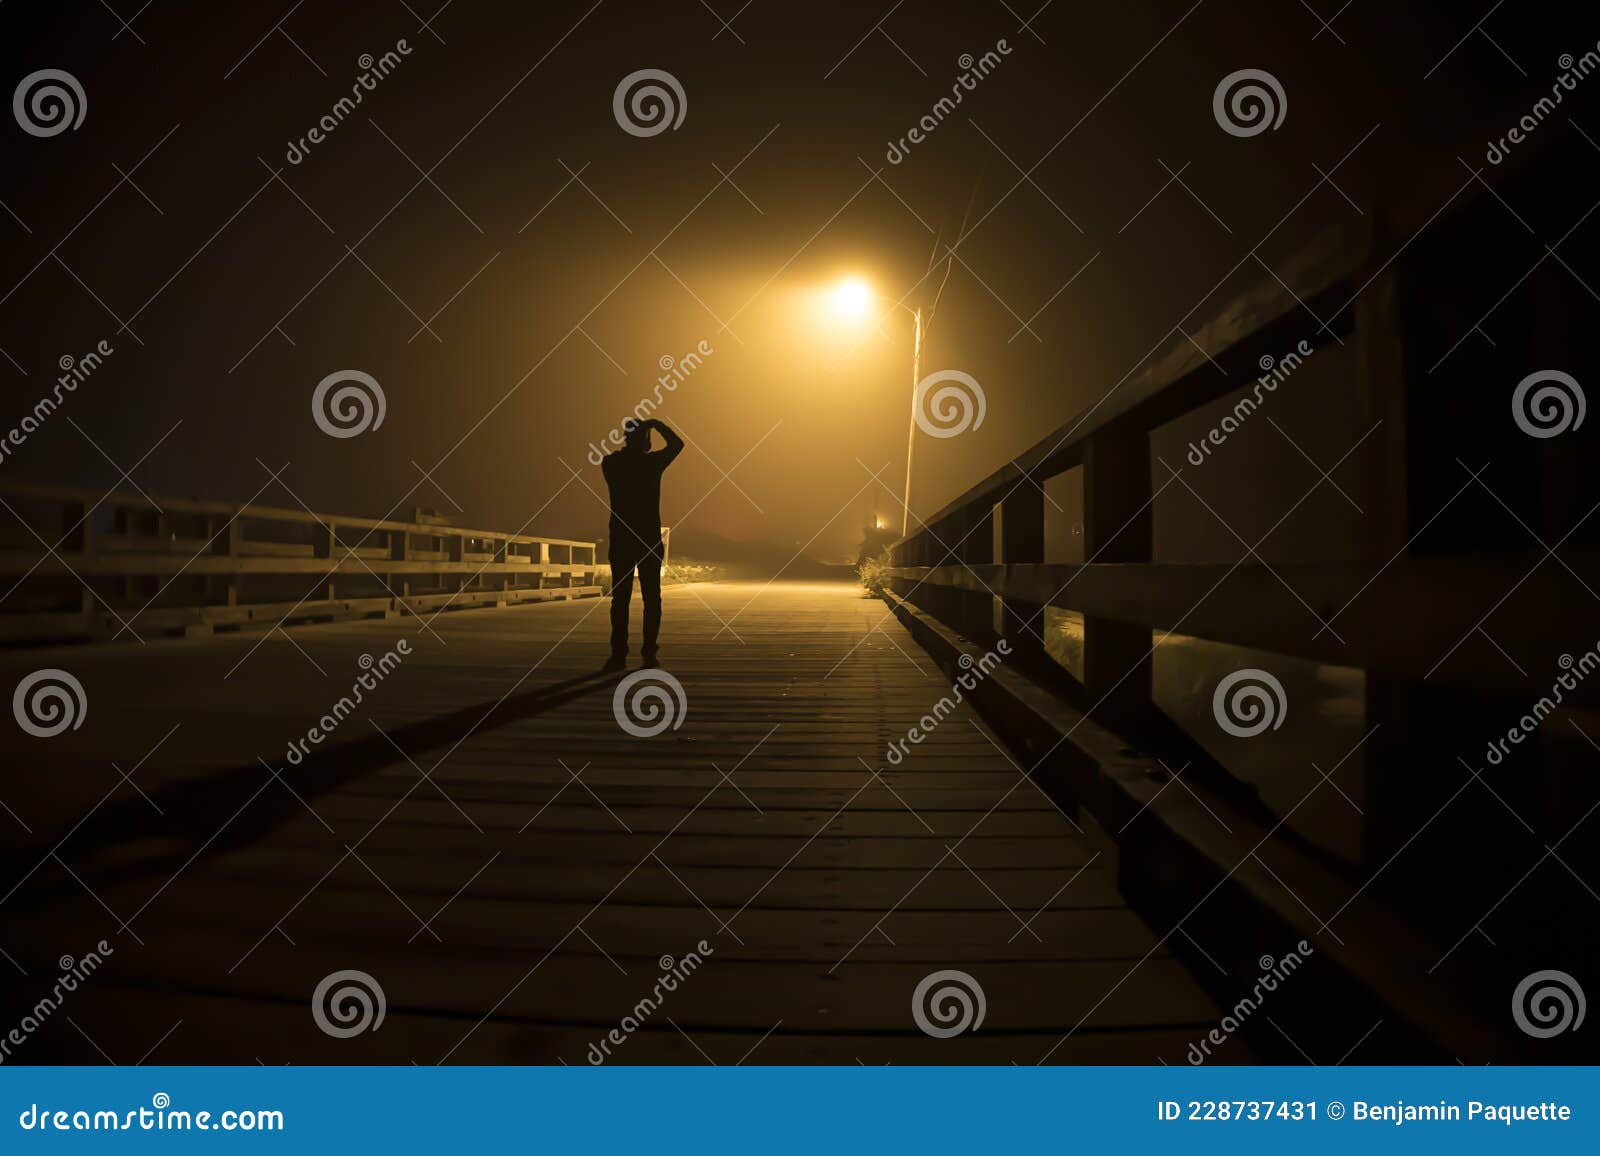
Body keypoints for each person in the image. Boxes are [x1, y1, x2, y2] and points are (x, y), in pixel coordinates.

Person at [601, 417, 682, 666]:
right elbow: (677, 444)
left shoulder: (611, 463)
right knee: (652, 597)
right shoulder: (653, 463)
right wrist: (657, 423)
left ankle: (618, 652)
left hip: (621, 538)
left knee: (621, 598)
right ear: (646, 440)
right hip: (648, 538)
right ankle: (648, 650)